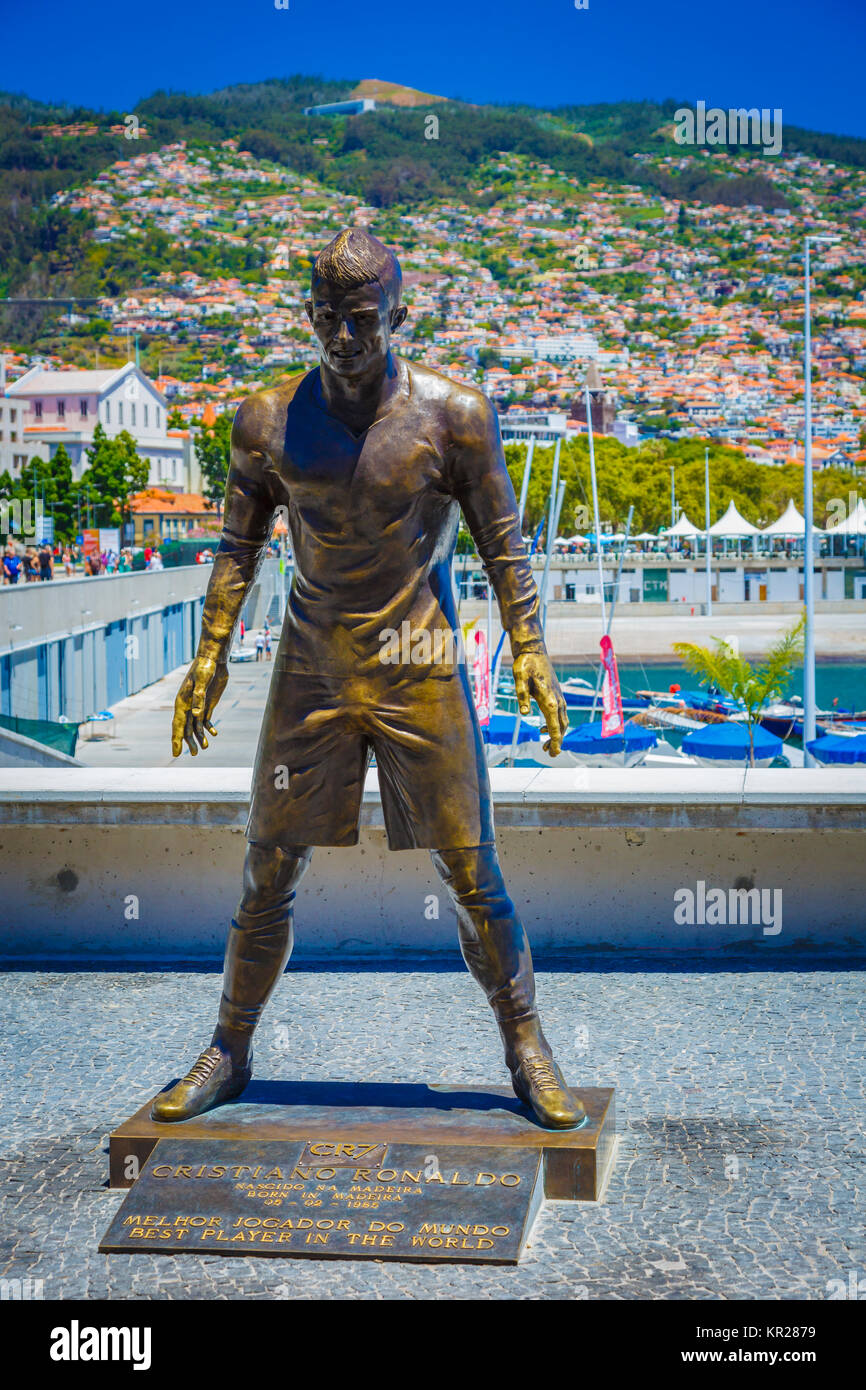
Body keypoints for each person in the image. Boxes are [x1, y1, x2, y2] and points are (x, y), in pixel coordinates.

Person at [156, 228, 579, 1132]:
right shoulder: (266, 420)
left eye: (360, 319)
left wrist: (533, 651)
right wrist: (210, 651)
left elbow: (504, 542)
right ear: (307, 316)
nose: (342, 337)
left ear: (399, 313)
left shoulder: (455, 415)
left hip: (418, 659)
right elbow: (238, 547)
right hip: (312, 661)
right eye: (325, 319)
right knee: (268, 867)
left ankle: (527, 1046)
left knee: (472, 868)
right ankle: (229, 1047)